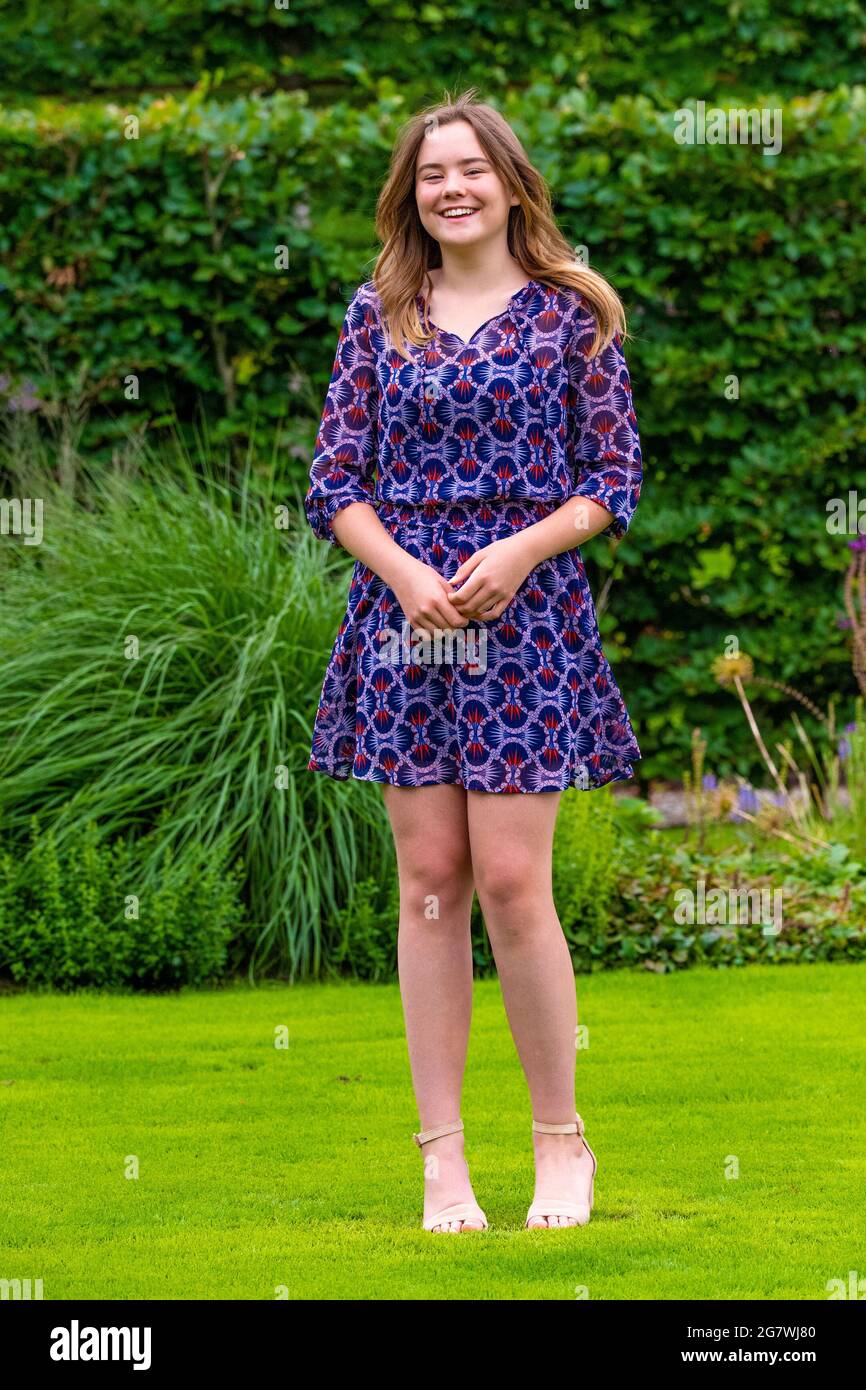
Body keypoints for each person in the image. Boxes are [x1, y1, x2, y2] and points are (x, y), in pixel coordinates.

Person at [303, 89, 643, 1232]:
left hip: (528, 614)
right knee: (431, 886)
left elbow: (612, 480)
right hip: (403, 619)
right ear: (412, 195)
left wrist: (519, 549)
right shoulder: (378, 312)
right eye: (429, 174)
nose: (449, 188)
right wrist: (401, 572)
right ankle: (440, 1158)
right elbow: (331, 484)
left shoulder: (571, 311)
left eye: (469, 170)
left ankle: (561, 1141)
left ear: (509, 183)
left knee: (508, 881)